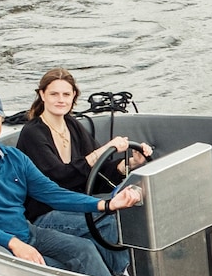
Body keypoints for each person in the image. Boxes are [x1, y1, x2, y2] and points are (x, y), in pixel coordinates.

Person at [0, 89, 143, 276]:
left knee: (85, 250)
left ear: (0, 120)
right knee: (63, 270)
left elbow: (53, 193)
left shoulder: (14, 157)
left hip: (26, 231)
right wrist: (13, 244)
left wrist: (106, 205)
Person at [14, 67, 151, 203]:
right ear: (42, 95)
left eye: (66, 94)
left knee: (132, 207)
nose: (61, 100)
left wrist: (132, 163)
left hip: (78, 202)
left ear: (74, 95)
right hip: (46, 210)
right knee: (114, 220)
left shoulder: (72, 124)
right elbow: (61, 178)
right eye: (54, 94)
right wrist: (105, 148)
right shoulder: (32, 133)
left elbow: (98, 173)